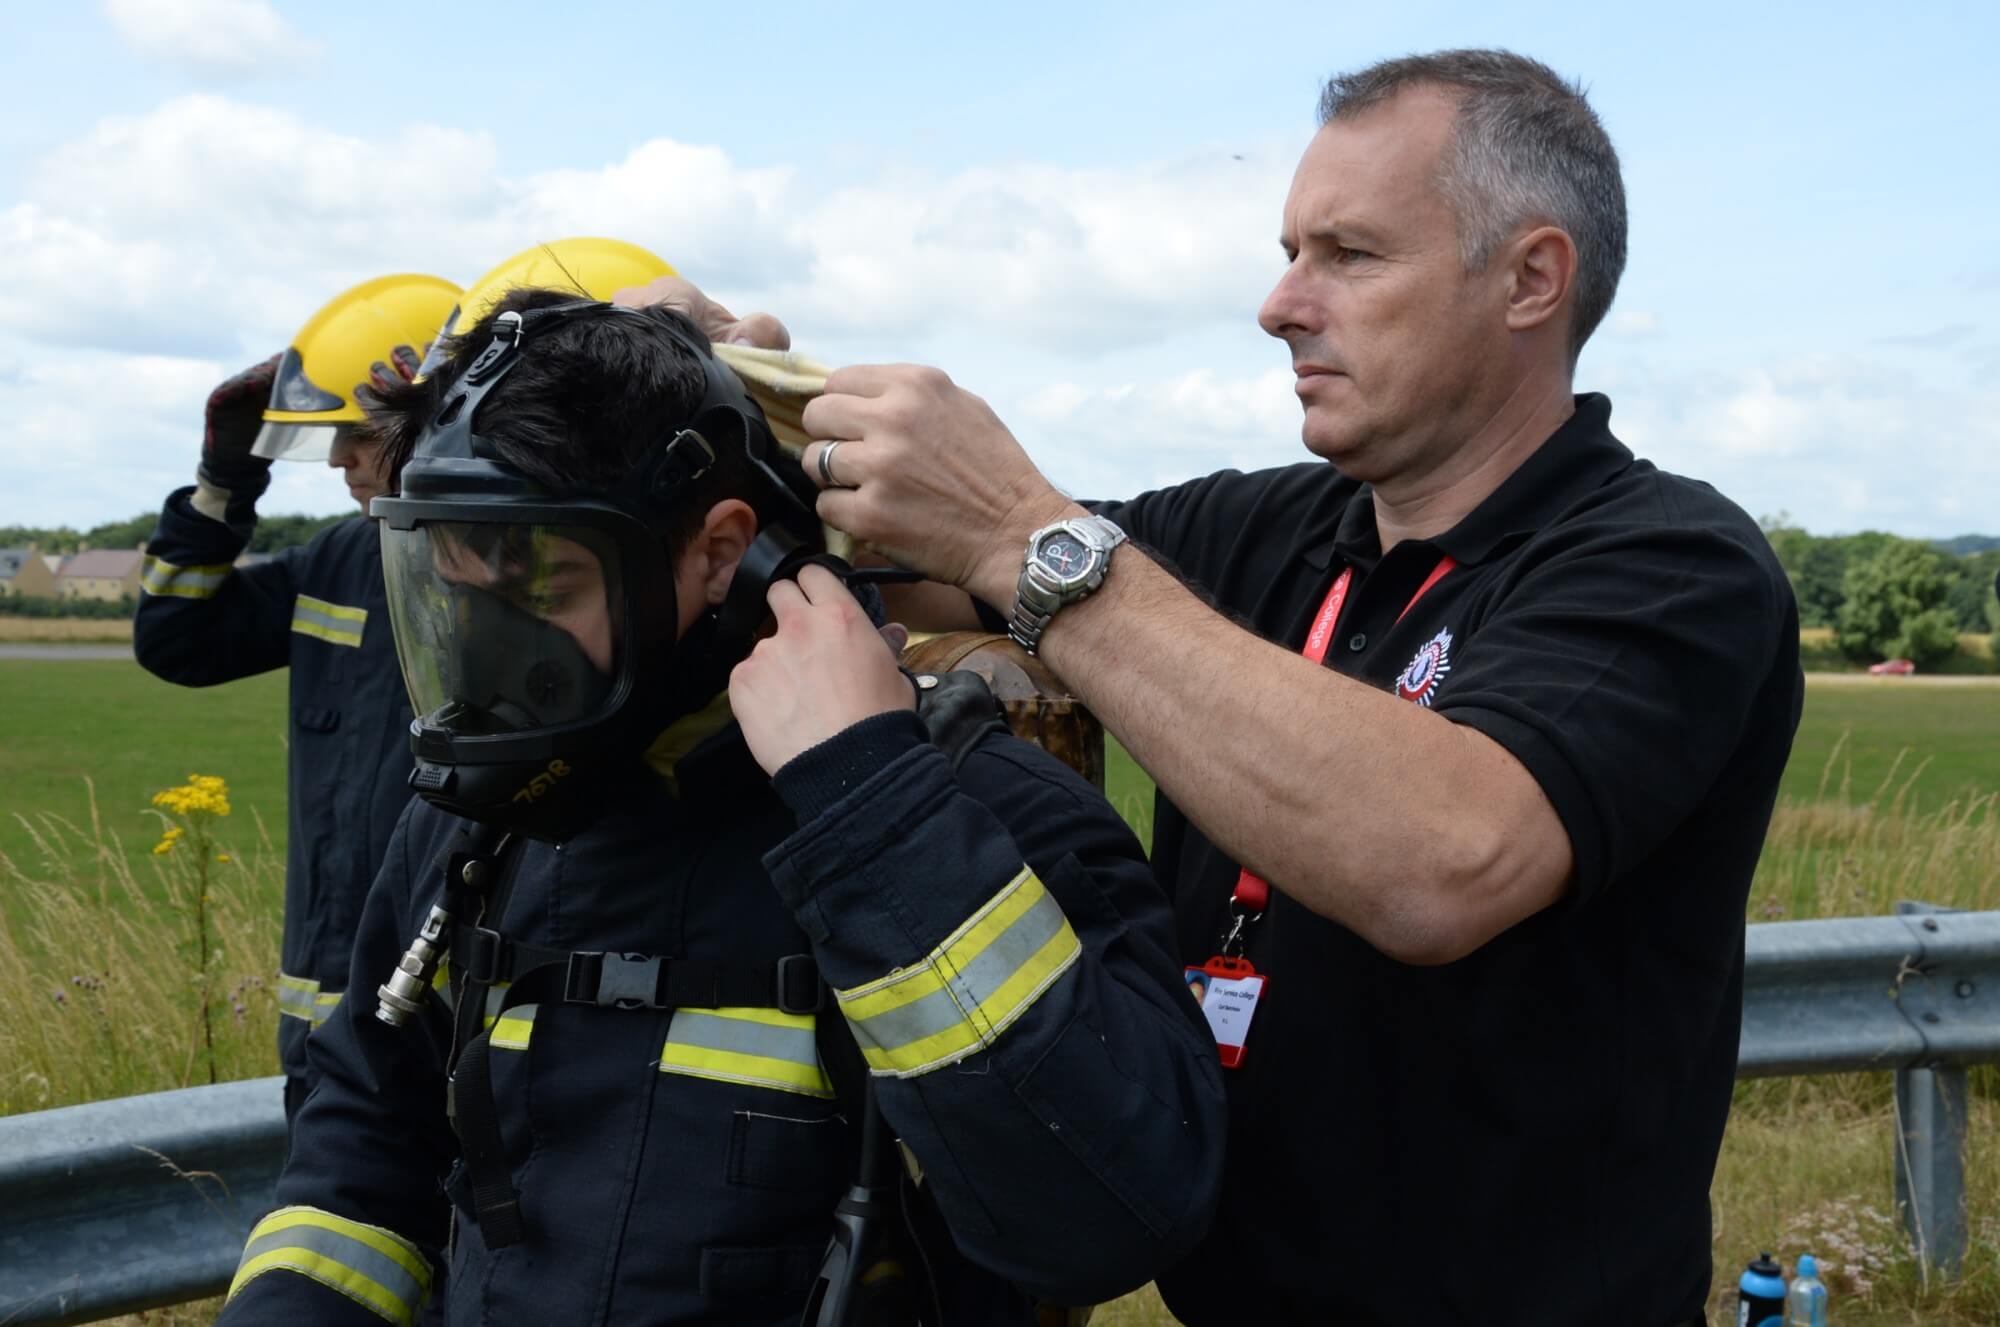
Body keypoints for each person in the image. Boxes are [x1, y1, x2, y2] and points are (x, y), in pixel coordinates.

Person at [672, 48, 1803, 1326]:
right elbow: (921, 560)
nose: (1279, 303)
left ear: (1530, 278)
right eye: (1286, 250)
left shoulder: (1665, 562)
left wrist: (1021, 530)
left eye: (1349, 255)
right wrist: (733, 400)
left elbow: (1443, 858)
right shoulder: (1262, 531)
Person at [215, 290, 1226, 1326]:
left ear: (715, 550)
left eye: (543, 588)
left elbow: (1106, 1221)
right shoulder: (484, 826)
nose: (493, 654)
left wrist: (868, 803)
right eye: (462, 587)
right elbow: (362, 1163)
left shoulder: (975, 814)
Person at [135, 272, 462, 1121]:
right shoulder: (339, 562)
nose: (341, 460)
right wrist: (222, 482)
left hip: (469, 1043)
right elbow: (178, 637)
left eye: (360, 433)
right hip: (326, 1051)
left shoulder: (540, 581)